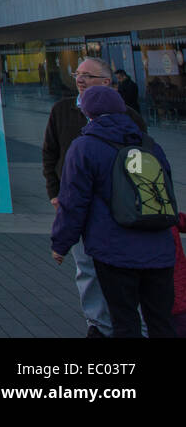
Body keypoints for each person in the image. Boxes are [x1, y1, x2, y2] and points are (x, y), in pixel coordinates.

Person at [51, 85, 178, 337]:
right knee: (161, 323)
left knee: (124, 321)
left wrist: (60, 243)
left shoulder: (84, 146)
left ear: (88, 112)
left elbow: (73, 202)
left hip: (114, 250)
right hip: (159, 249)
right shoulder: (150, 144)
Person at [42, 56, 147, 337]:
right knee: (86, 268)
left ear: (106, 82)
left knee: (123, 269)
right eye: (78, 73)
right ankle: (98, 325)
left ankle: (132, 323)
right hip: (77, 204)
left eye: (88, 75)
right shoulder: (62, 110)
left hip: (118, 208)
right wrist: (54, 192)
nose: (80, 79)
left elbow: (146, 164)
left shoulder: (129, 117)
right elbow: (50, 152)